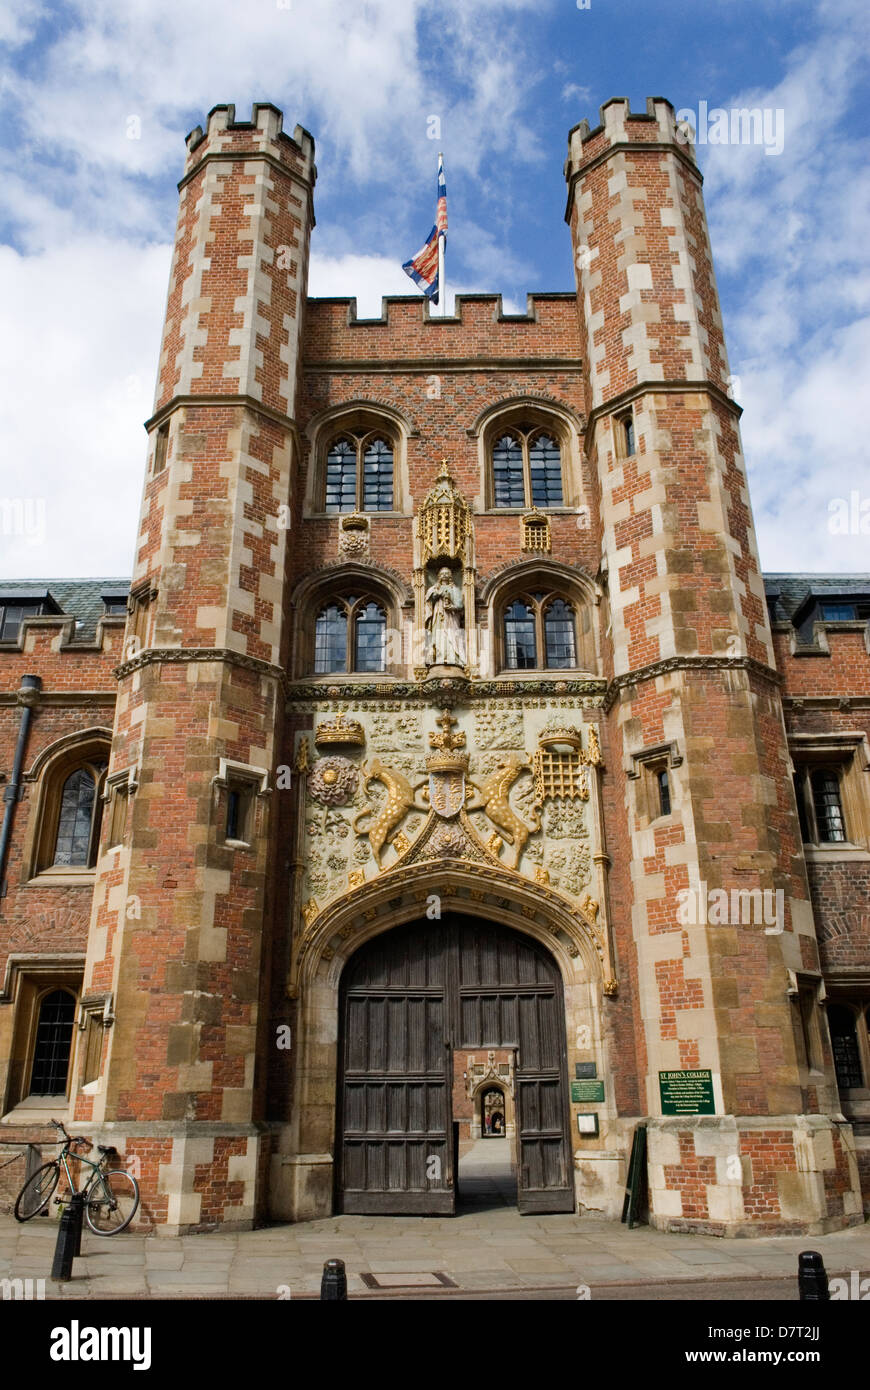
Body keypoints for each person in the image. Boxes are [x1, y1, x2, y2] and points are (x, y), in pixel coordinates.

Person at [424, 567, 466, 667]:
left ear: (450, 576)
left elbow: (460, 605)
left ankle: (453, 658)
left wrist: (452, 607)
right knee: (438, 635)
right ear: (438, 576)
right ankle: (438, 658)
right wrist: (437, 594)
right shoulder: (435, 588)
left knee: (452, 635)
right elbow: (429, 600)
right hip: (438, 615)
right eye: (442, 573)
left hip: (451, 617)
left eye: (447, 573)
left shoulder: (454, 589)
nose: (444, 575)